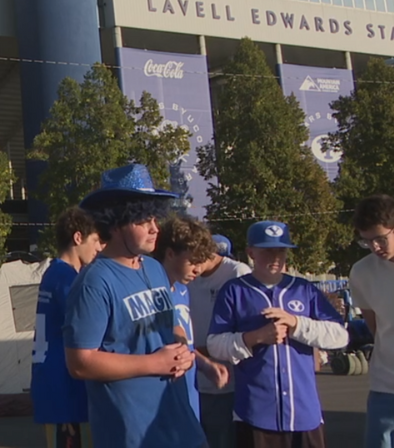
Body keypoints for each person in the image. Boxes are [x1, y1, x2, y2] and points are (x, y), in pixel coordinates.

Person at [63, 164, 204, 448]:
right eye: (143, 221)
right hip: (132, 433)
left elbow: (172, 325)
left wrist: (183, 352)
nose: (154, 228)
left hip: (181, 425)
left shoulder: (154, 268)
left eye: (154, 218)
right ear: (116, 224)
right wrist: (154, 363)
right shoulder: (94, 282)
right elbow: (79, 363)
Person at [207, 221, 348, 448]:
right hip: (256, 412)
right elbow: (215, 344)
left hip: (304, 412)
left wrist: (296, 324)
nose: (275, 257)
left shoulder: (304, 289)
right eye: (267, 251)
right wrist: (255, 337)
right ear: (251, 252)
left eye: (280, 250)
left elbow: (340, 335)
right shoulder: (234, 290)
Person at [348, 195, 394, 448]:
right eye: (366, 241)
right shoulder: (362, 272)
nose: (375, 247)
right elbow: (375, 328)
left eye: (380, 239)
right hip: (385, 392)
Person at [33, 207, 104, 448]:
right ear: (78, 237)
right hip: (65, 387)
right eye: (95, 240)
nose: (99, 248)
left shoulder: (53, 273)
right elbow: (89, 325)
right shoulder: (68, 279)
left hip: (53, 382)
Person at [152, 216, 231, 421]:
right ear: (170, 253)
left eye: (200, 262)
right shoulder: (149, 292)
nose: (197, 269)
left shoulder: (182, 289)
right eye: (192, 261)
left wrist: (204, 365)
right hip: (161, 402)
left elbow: (183, 345)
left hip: (189, 394)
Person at [190, 232, 252, 448]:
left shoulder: (237, 273)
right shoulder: (185, 274)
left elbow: (247, 331)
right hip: (193, 381)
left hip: (227, 382)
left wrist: (202, 353)